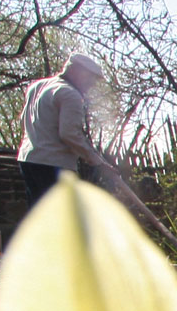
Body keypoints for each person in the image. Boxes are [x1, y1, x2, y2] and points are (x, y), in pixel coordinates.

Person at [15, 53, 122, 204]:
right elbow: (69, 134)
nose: (91, 85)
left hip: (29, 159)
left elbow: (23, 121)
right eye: (90, 78)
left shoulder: (37, 86)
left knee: (41, 214)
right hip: (53, 163)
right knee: (62, 215)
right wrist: (95, 160)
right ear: (75, 71)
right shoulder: (70, 94)